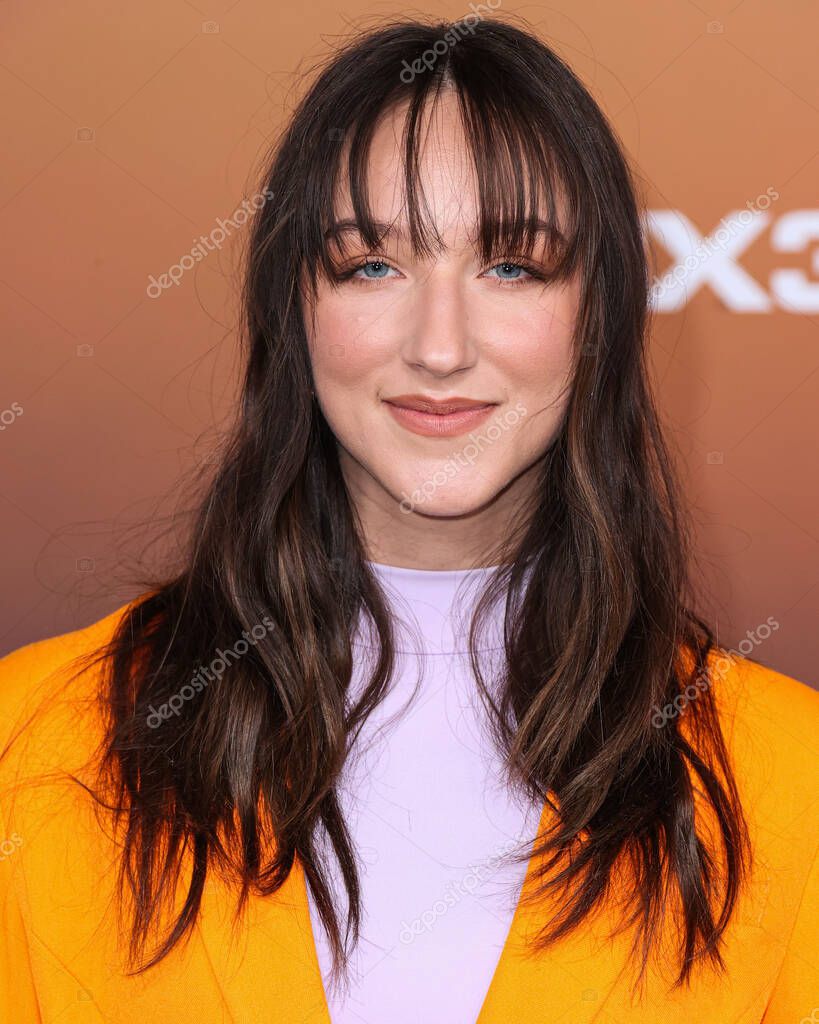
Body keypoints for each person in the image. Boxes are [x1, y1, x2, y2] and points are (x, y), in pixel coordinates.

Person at [0, 16, 816, 1024]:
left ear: (597, 314)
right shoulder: (30, 741)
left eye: (513, 265)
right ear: (294, 308)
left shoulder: (793, 780)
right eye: (371, 265)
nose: (439, 346)